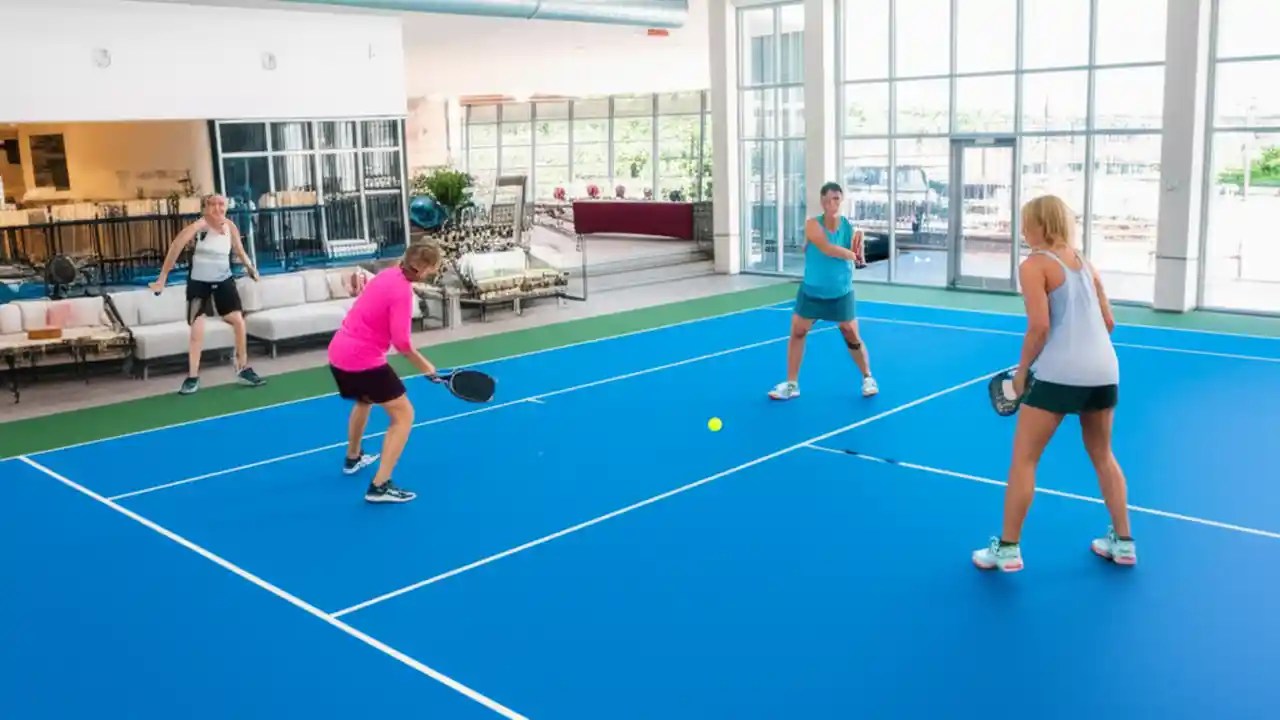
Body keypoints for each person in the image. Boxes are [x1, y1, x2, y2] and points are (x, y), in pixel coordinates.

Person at [972, 194, 1135, 572]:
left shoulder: (1034, 265)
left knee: (1024, 460)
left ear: (1042, 225)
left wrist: (1023, 370)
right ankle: (1124, 543)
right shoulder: (1085, 264)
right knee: (1103, 455)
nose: (1023, 229)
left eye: (1027, 222)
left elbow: (1040, 327)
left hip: (1061, 371)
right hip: (1105, 371)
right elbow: (1109, 323)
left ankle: (1008, 549)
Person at [327, 243, 441, 504]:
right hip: (362, 360)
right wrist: (426, 368)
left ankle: (352, 458)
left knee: (364, 399)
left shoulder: (387, 274)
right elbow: (402, 343)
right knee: (404, 415)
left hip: (338, 352)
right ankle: (380, 486)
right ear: (424, 270)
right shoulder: (402, 292)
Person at [768, 181, 878, 401]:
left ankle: (867, 378)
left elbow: (858, 256)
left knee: (850, 333)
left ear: (841, 200)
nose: (832, 203)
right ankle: (792, 385)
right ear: (822, 202)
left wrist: (859, 255)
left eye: (836, 198)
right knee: (798, 332)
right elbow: (827, 249)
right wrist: (852, 255)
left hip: (841, 292)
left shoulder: (850, 228)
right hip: (812, 292)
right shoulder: (812, 225)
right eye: (827, 199)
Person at [151, 194, 265, 395]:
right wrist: (162, 279)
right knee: (197, 331)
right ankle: (192, 377)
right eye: (212, 205)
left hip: (223, 281)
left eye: (221, 205)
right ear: (205, 208)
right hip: (199, 284)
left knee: (238, 321)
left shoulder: (230, 226)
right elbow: (176, 246)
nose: (217, 209)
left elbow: (239, 250)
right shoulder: (198, 227)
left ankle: (243, 368)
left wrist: (250, 268)